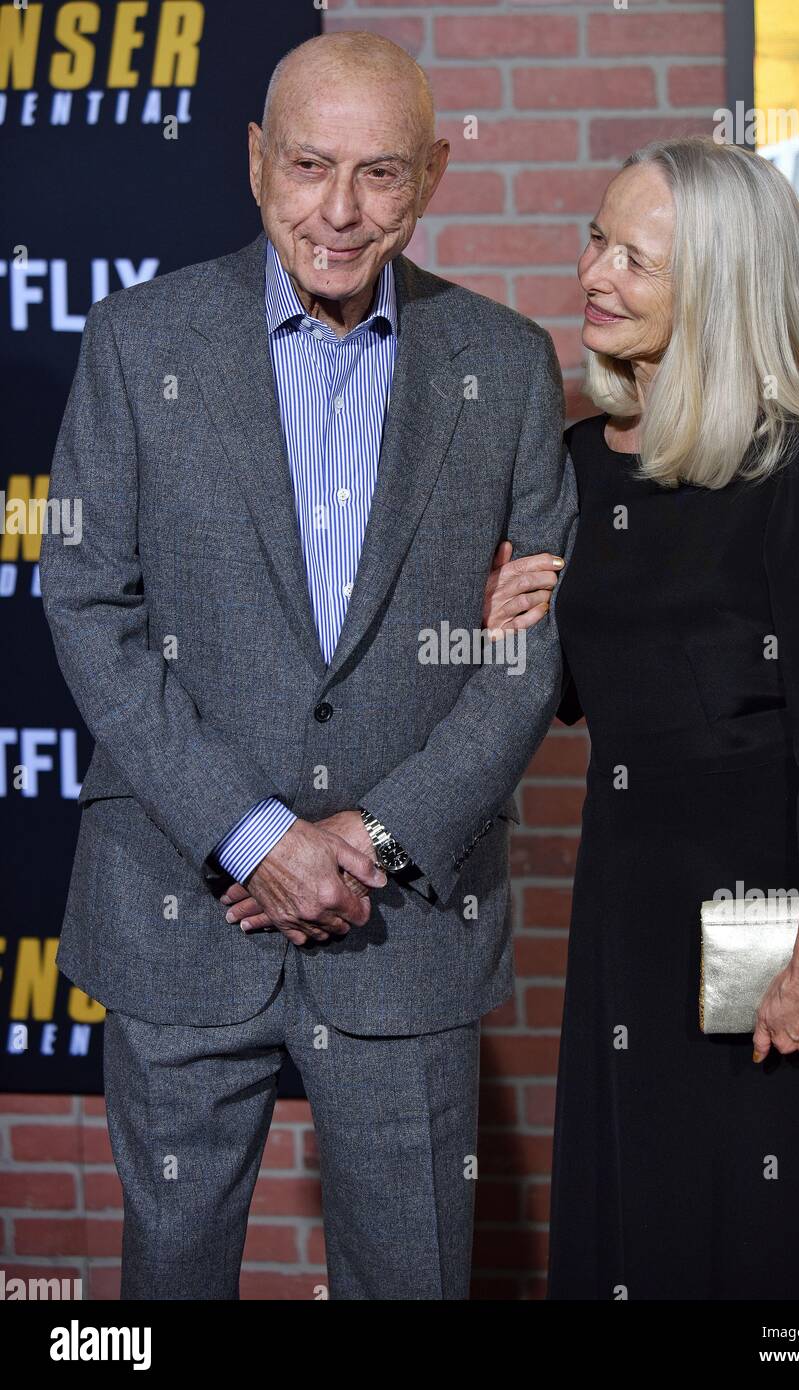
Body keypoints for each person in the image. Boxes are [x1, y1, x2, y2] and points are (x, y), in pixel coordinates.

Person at [39, 32, 576, 1301]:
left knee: (413, 1275)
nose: (338, 211)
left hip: (404, 926)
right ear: (252, 161)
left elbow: (523, 654)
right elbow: (86, 604)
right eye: (309, 165)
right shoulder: (135, 341)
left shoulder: (503, 366)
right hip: (177, 901)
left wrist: (373, 840)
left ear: (433, 176)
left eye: (380, 174)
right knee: (163, 1286)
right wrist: (254, 832)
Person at [483, 137, 799, 1299]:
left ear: (721, 290)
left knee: (781, 1235)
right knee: (660, 1214)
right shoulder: (580, 461)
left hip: (778, 908)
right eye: (597, 238)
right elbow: (586, 697)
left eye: (636, 259)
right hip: (631, 897)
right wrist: (511, 622)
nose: (594, 272)